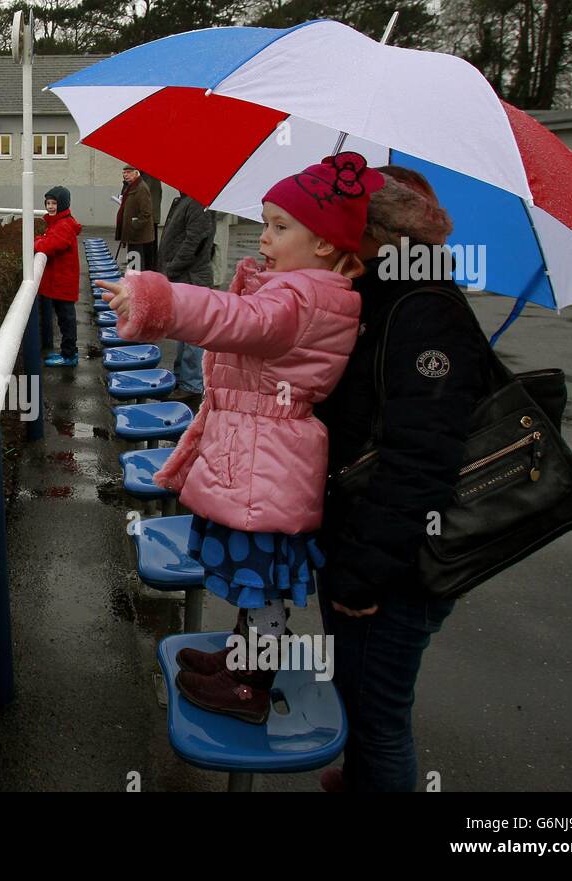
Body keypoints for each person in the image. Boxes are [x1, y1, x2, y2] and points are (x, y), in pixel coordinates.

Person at [99, 153, 385, 724]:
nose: (264, 239)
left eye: (280, 228)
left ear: (325, 244)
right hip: (261, 454)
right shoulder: (303, 288)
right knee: (258, 584)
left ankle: (250, 686)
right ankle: (240, 662)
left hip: (267, 462)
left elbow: (238, 321)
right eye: (266, 224)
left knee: (264, 584)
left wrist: (161, 300)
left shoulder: (302, 297)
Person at [312, 166, 483, 793]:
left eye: (339, 223)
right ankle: (362, 779)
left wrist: (365, 573)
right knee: (356, 697)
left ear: (372, 232)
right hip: (364, 545)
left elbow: (420, 461)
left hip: (396, 567)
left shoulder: (423, 314)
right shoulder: (382, 296)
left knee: (378, 716)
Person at [157, 193, 217, 407]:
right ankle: (182, 376)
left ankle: (191, 385)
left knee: (192, 334)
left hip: (191, 277)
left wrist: (172, 267)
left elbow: (195, 242)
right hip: (184, 275)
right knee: (183, 330)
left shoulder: (197, 202)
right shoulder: (185, 200)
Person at [35, 186, 82, 368]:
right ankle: (68, 352)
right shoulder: (60, 222)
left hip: (63, 281)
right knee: (65, 318)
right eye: (48, 203)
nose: (50, 207)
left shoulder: (63, 225)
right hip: (62, 280)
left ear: (62, 204)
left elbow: (48, 245)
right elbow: (48, 240)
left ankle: (69, 355)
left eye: (54, 203)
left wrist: (36, 241)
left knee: (66, 319)